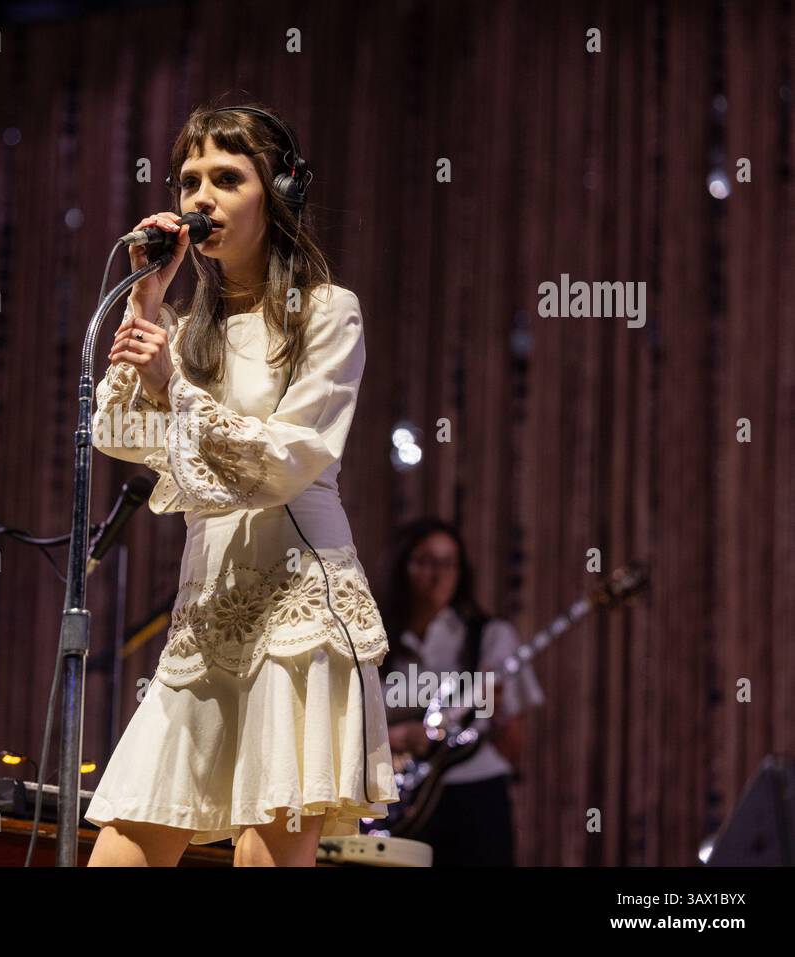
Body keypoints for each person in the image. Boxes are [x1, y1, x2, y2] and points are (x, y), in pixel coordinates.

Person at [83, 102, 398, 867]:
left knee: (262, 857)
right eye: (190, 179)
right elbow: (120, 435)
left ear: (278, 193)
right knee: (121, 846)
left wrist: (177, 389)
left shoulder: (328, 313)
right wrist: (147, 303)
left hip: (298, 613)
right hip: (206, 613)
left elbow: (291, 458)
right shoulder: (192, 329)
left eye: (227, 178)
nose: (200, 198)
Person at [378, 517, 545, 866]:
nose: (439, 575)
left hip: (475, 795)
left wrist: (496, 709)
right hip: (399, 800)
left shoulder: (489, 637)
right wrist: (399, 736)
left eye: (449, 563)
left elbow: (514, 749)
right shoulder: (375, 641)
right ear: (402, 566)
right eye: (426, 562)